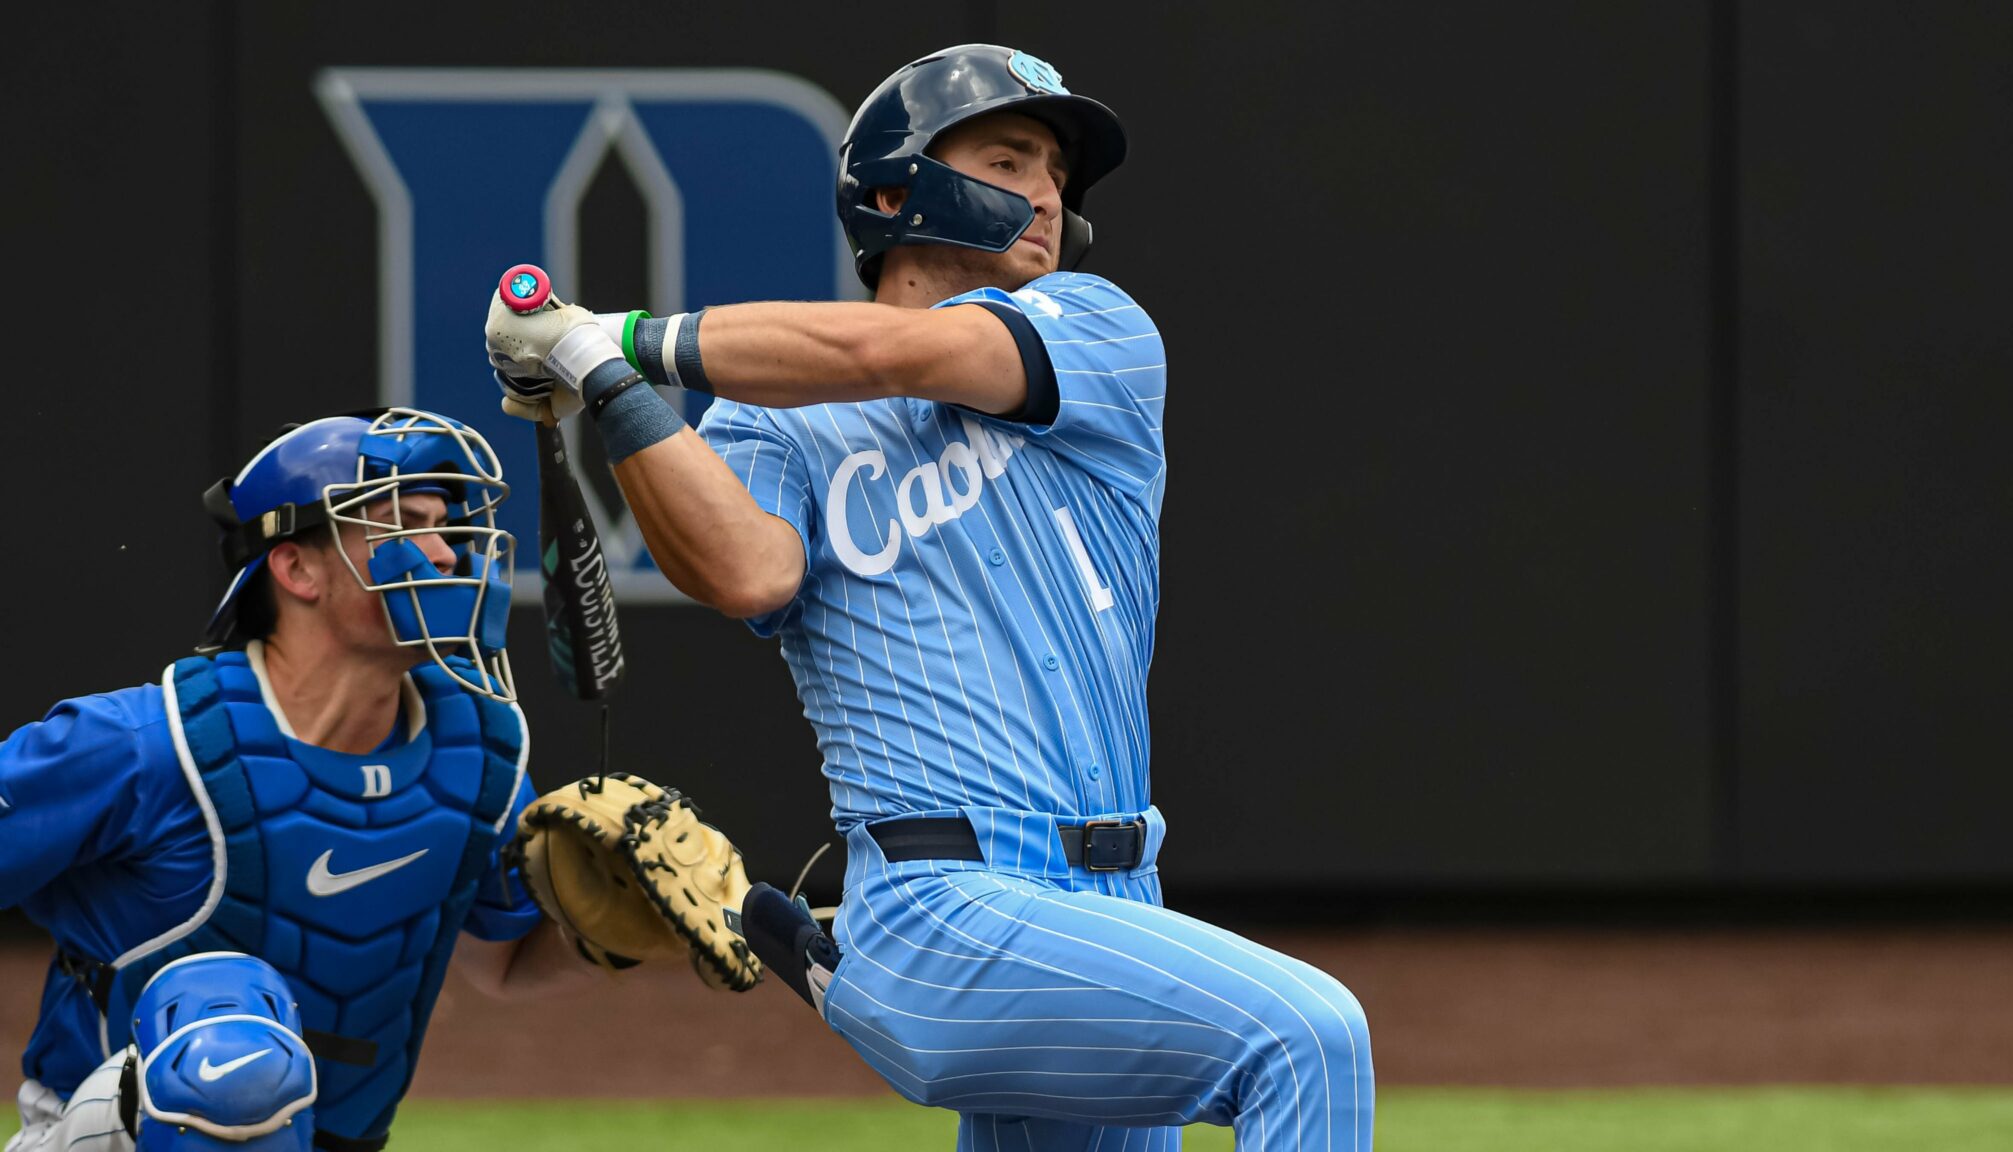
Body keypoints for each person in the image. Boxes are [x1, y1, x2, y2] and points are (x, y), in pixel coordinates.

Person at [485, 44, 1373, 1151]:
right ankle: (861, 976)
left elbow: (889, 355)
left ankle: (829, 974)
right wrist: (605, 388)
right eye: (1009, 159)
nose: (1048, 195)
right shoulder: (771, 424)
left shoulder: (1097, 330)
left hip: (1111, 906)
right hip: (940, 907)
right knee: (1307, 1037)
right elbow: (745, 573)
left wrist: (608, 337)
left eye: (1057, 174)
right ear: (896, 191)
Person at [1, 408, 593, 1152]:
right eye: (403, 525)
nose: (445, 555)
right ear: (295, 567)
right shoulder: (148, 745)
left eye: (446, 527)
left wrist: (600, 927)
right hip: (114, 1134)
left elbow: (500, 962)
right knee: (233, 1057)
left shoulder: (474, 748)